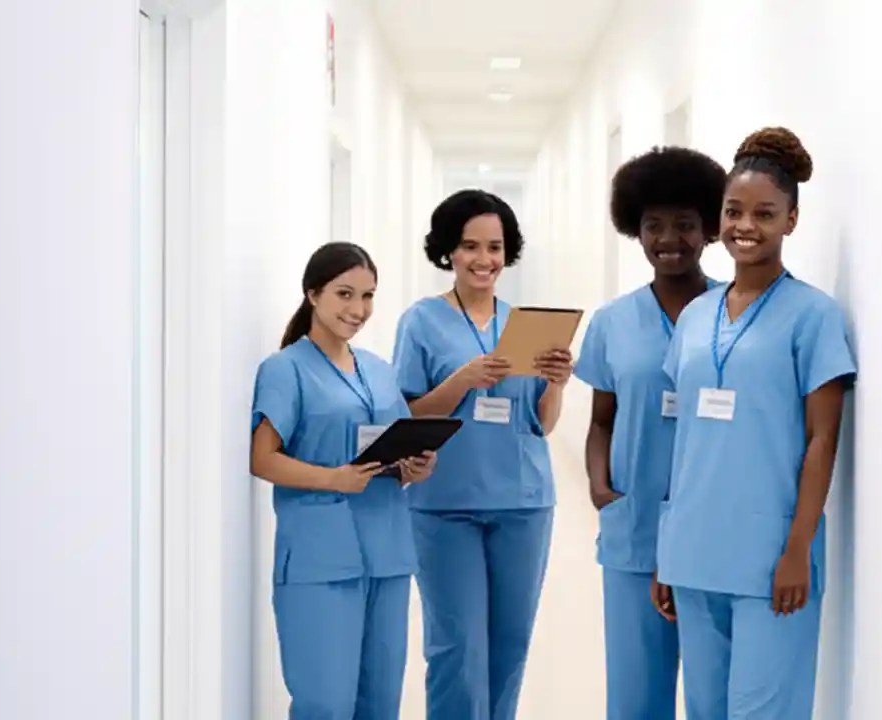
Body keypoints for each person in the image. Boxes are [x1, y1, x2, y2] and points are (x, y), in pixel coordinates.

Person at [655, 127, 856, 719]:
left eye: (765, 213)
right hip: (694, 552)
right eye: (734, 211)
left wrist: (798, 548)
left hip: (770, 558)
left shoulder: (812, 316)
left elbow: (823, 440)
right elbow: (683, 441)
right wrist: (669, 550)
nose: (746, 226)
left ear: (792, 219)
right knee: (705, 710)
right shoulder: (694, 316)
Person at [391, 189, 573, 719]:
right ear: (448, 250)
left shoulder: (525, 324)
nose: (484, 259)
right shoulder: (422, 321)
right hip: (445, 503)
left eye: (495, 247)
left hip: (524, 502)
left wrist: (555, 383)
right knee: (457, 648)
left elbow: (541, 424)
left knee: (509, 647)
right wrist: (463, 379)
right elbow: (410, 415)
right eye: (470, 246)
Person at [249, 242, 437, 720]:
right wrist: (333, 478)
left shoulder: (379, 370)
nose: (358, 309)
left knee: (379, 703)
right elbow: (262, 459)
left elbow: (393, 449)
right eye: (345, 294)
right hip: (320, 559)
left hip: (387, 553)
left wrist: (413, 468)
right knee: (326, 704)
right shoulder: (285, 369)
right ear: (313, 294)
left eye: (368, 296)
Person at [572, 145, 727, 719]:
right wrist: (598, 487)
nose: (669, 238)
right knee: (637, 695)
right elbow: (601, 420)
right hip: (633, 526)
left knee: (714, 693)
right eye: (653, 226)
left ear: (709, 229)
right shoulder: (613, 321)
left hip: (713, 526)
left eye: (685, 225)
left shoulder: (733, 312)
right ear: (634, 232)